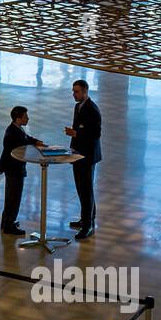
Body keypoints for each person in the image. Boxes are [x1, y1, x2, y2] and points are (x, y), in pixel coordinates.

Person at [0, 105, 45, 236]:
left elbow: (27, 138)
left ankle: (6, 222)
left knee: (10, 197)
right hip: (14, 169)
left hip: (12, 168)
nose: (28, 118)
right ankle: (9, 225)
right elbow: (24, 145)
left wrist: (35, 141)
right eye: (25, 117)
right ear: (18, 119)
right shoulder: (14, 134)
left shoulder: (16, 129)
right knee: (14, 198)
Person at [63, 79, 102, 240]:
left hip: (87, 157)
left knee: (86, 190)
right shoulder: (78, 106)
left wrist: (77, 134)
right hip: (77, 154)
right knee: (81, 189)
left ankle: (89, 225)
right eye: (73, 91)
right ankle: (85, 219)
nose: (74, 94)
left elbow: (95, 134)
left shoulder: (92, 109)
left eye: (76, 92)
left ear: (85, 91)